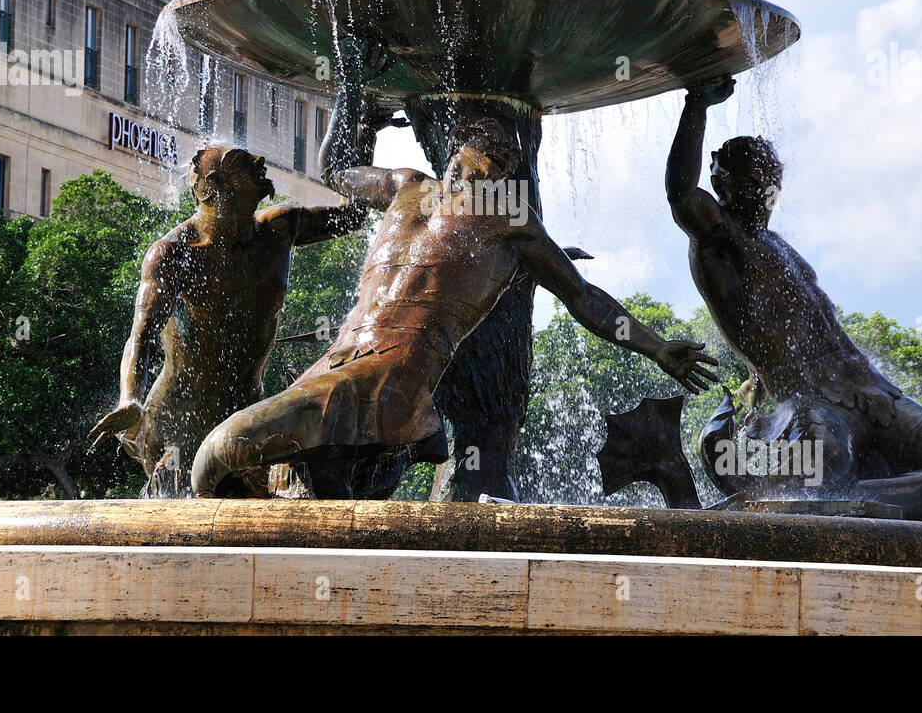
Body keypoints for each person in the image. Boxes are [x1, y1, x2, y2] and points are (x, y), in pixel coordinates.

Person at [190, 85, 719, 499]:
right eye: (482, 141)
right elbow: (335, 170)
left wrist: (656, 347)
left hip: (391, 376)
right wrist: (353, 87)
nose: (493, 155)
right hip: (339, 359)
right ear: (456, 147)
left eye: (503, 153)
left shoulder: (511, 220)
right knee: (295, 492)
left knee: (219, 451)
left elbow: (583, 297)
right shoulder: (406, 184)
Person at [665, 76, 922, 523]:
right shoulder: (719, 238)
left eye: (772, 179)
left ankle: (826, 503)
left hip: (871, 390)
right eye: (753, 178)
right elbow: (679, 193)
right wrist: (697, 105)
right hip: (804, 398)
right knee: (822, 471)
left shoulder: (779, 246)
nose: (766, 188)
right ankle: (751, 514)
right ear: (721, 179)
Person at [89, 144, 366, 495]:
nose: (260, 162)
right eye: (242, 162)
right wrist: (130, 399)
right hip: (178, 426)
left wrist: (357, 124)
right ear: (214, 186)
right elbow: (141, 337)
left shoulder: (280, 229)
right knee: (182, 523)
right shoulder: (173, 253)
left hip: (248, 414)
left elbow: (355, 215)